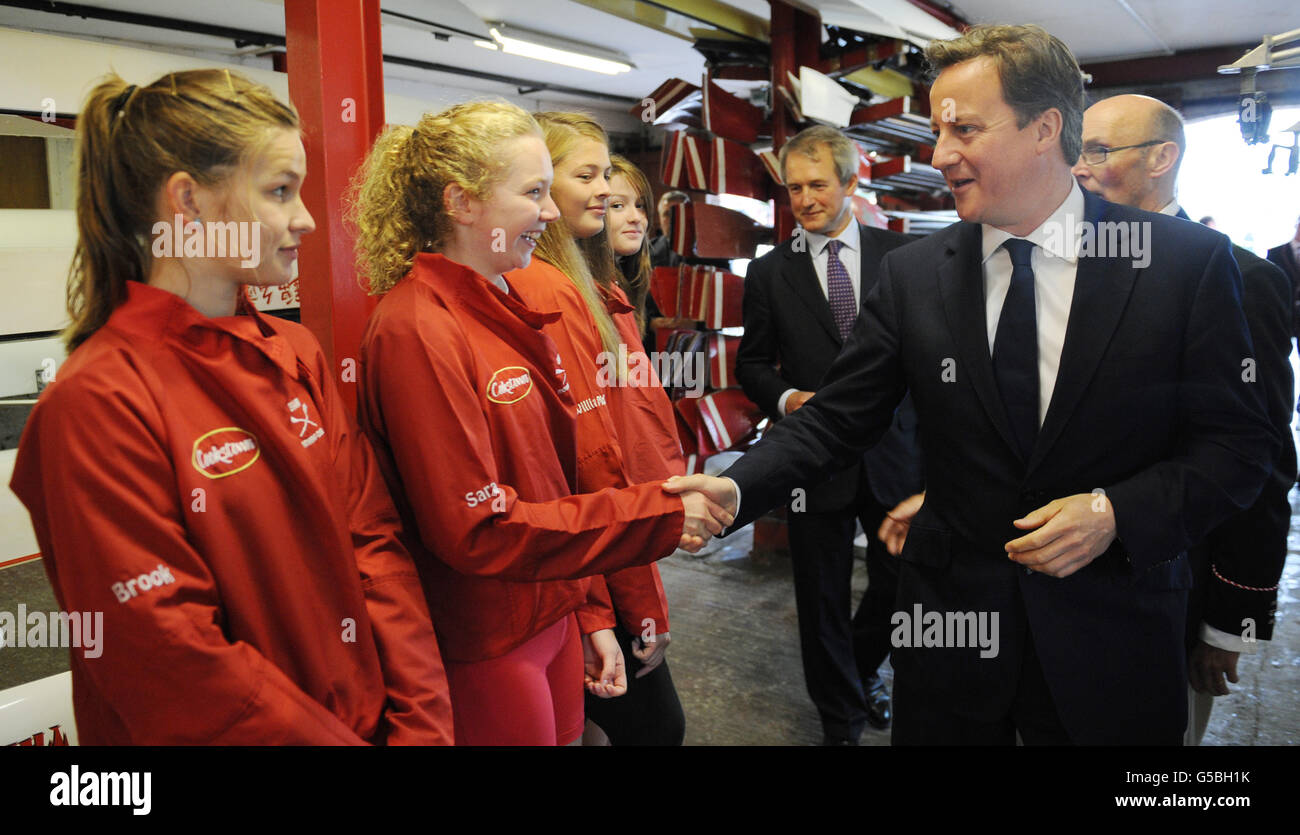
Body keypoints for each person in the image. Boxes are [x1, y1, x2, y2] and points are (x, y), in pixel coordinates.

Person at [664, 24, 1276, 745]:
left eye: (964, 130)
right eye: (936, 131)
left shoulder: (1184, 264)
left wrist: (1117, 512)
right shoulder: (916, 274)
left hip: (1111, 637)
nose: (940, 154)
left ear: (1045, 128)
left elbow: (1238, 448)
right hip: (951, 641)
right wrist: (735, 487)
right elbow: (837, 418)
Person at [9, 69, 455, 745]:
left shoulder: (295, 352)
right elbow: (173, 660)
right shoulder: (96, 401)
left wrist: (423, 723)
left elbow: (374, 545)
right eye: (279, 190)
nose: (306, 218)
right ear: (188, 200)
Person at [350, 101, 729, 746]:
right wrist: (656, 515)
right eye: (533, 193)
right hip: (494, 632)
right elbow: (478, 529)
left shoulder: (506, 301)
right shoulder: (418, 328)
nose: (551, 212)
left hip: (551, 610)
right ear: (461, 202)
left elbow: (561, 481)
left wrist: (587, 611)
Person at [1073, 93, 1295, 745]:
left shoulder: (1242, 278)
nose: (1079, 167)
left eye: (1098, 151)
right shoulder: (1059, 267)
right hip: (1064, 582)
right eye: (1076, 152)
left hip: (1175, 586)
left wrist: (1230, 620)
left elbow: (1260, 460)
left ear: (1161, 158)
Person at [733, 124, 921, 745]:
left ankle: (861, 670)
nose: (806, 199)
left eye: (817, 185)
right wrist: (789, 399)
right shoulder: (769, 272)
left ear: (849, 182)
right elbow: (752, 364)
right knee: (820, 595)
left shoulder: (903, 259)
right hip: (814, 459)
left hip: (894, 453)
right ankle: (839, 717)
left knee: (901, 580)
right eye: (794, 189)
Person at [508, 118, 687, 746]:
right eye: (587, 176)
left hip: (612, 547)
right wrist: (610, 610)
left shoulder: (592, 291)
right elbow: (587, 470)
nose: (608, 194)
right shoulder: (549, 294)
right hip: (597, 558)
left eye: (607, 174)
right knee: (654, 727)